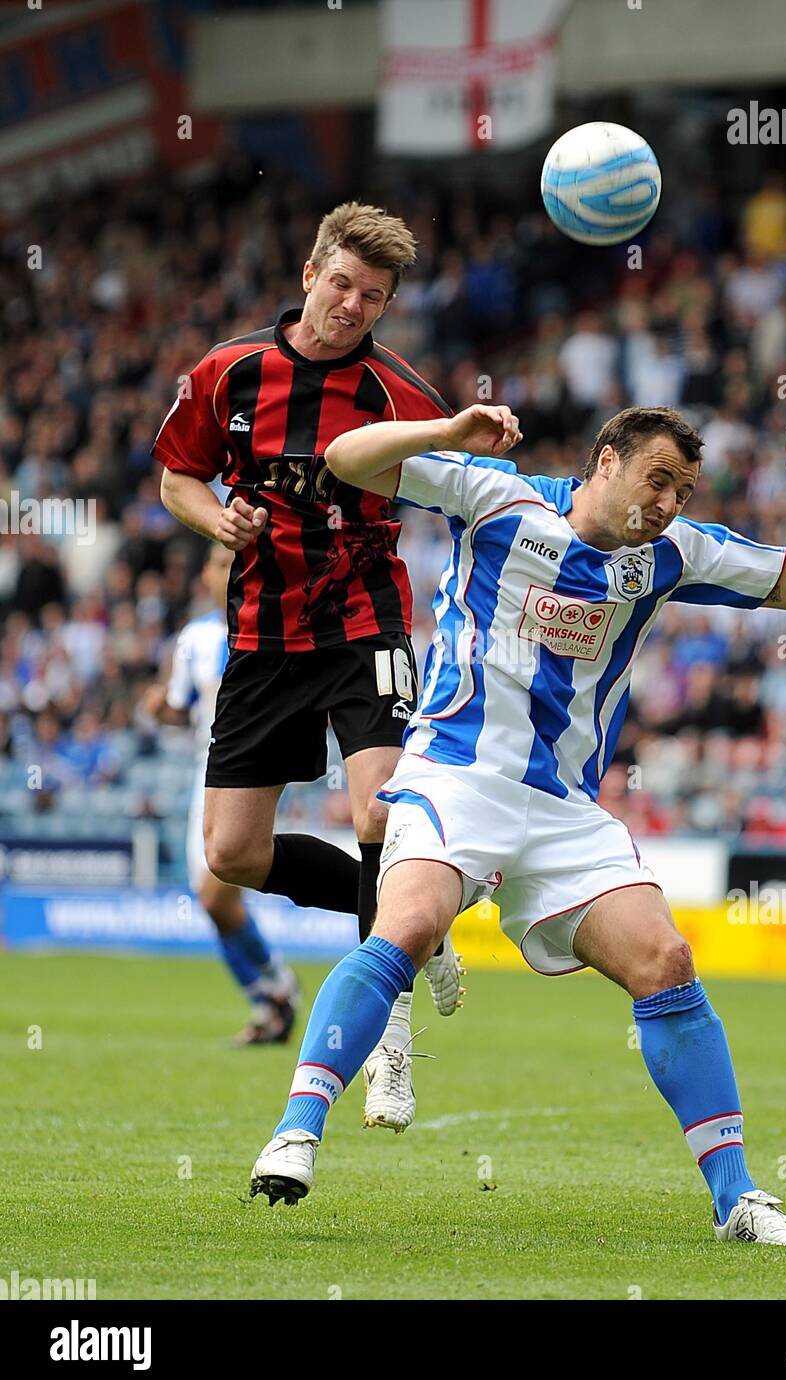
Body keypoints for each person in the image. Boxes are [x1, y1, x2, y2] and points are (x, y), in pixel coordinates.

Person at [250, 401, 786, 1246]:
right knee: (408, 923)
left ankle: (737, 1201)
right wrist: (445, 434)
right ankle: (297, 1130)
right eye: (658, 478)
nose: (671, 501)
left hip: (564, 809)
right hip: (459, 775)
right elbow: (345, 457)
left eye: (683, 487)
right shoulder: (499, 498)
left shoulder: (671, 555)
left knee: (666, 959)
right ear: (607, 460)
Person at [154, 202, 462, 1129]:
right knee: (232, 858)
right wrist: (222, 520)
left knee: (379, 811)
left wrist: (472, 439)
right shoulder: (228, 371)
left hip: (365, 622)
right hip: (261, 634)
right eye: (341, 285)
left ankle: (390, 1047)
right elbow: (176, 478)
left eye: (373, 297)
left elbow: (467, 495)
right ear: (308, 275)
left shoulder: (401, 390)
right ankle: (423, 918)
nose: (352, 306)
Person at [143, 543, 300, 1044]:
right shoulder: (195, 639)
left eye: (233, 561)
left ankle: (277, 991)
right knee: (212, 899)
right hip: (207, 771)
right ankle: (272, 995)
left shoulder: (273, 629)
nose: (224, 571)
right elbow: (177, 707)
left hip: (258, 771)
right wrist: (156, 707)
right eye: (215, 562)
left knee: (215, 891)